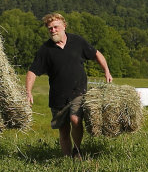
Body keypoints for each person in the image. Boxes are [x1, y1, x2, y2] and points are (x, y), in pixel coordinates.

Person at [25, 13, 112, 158]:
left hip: (78, 91)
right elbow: (33, 71)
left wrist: (106, 71)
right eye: (50, 28)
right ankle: (66, 158)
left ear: (64, 26)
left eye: (55, 27)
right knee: (63, 130)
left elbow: (96, 54)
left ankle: (77, 150)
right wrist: (28, 91)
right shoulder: (45, 49)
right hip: (57, 96)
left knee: (75, 120)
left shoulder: (77, 42)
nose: (53, 30)